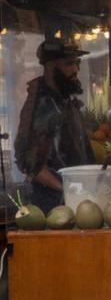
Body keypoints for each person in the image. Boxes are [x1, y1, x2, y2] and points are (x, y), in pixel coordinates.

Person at [14, 39, 94, 214]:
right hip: (52, 208)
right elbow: (31, 165)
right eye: (69, 64)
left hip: (75, 201)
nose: (75, 70)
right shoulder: (42, 106)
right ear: (50, 66)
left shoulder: (64, 101)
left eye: (77, 63)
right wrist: (67, 190)